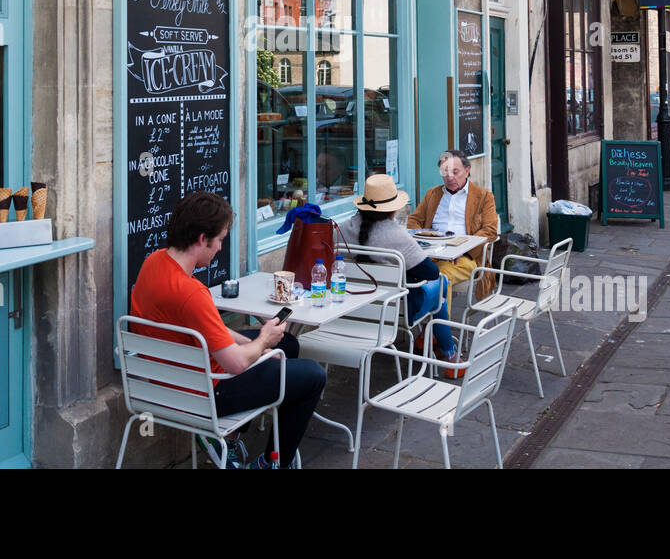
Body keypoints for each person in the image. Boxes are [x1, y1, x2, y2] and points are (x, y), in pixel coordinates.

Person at [130, 192, 326, 468]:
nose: (221, 248)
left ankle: (230, 439)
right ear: (201, 239)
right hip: (204, 393)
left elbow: (208, 328)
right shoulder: (191, 293)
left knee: (287, 345)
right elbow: (234, 362)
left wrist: (264, 342)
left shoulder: (154, 262)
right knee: (313, 376)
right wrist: (261, 343)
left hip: (168, 380)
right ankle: (273, 463)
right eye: (220, 240)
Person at [344, 174, 462, 377]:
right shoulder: (397, 236)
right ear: (393, 209)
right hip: (396, 309)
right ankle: (450, 356)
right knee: (441, 281)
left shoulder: (344, 229)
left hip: (353, 307)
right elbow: (431, 272)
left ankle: (432, 341)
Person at [407, 150, 499, 311]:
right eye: (445, 173)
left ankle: (440, 331)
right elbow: (414, 220)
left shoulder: (484, 197)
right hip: (431, 252)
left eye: (455, 172)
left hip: (466, 257)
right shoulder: (433, 194)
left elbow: (490, 230)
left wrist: (461, 249)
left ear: (467, 170)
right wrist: (424, 239)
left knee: (441, 277)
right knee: (407, 272)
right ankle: (419, 323)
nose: (450, 177)